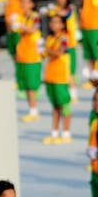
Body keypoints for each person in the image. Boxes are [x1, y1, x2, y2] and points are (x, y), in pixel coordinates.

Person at [42, 13, 72, 143]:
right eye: (52, 22)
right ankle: (54, 132)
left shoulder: (64, 38)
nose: (54, 25)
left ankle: (66, 132)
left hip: (61, 76)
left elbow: (60, 52)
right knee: (54, 106)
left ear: (62, 25)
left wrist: (47, 50)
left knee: (64, 105)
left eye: (57, 22)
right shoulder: (49, 38)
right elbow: (44, 54)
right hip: (50, 76)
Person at [13, 0, 43, 120]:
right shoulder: (21, 18)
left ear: (32, 4)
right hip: (22, 55)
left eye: (26, 2)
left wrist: (20, 26)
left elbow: (33, 29)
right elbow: (13, 29)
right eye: (22, 2)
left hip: (32, 55)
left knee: (31, 86)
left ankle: (34, 111)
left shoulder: (35, 17)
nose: (23, 5)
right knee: (25, 85)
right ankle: (31, 109)